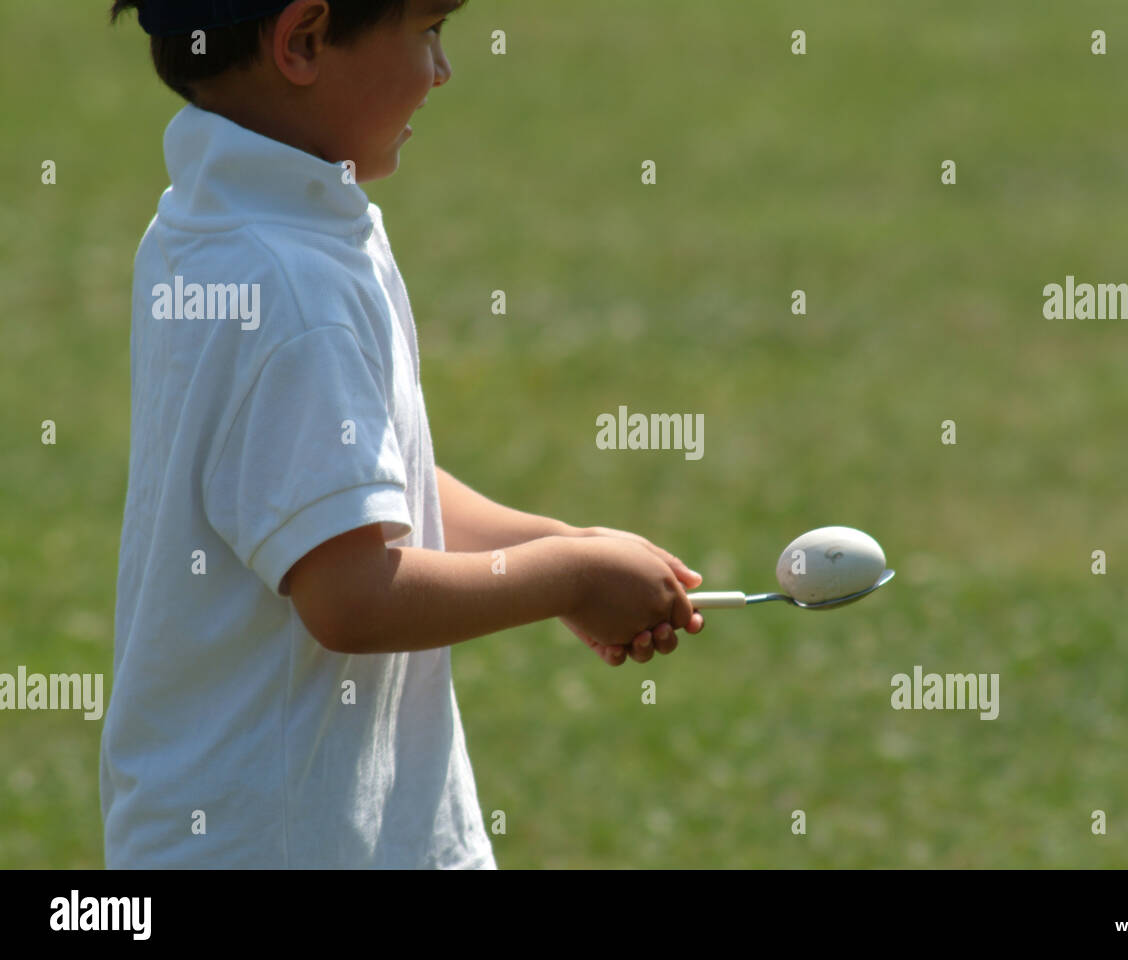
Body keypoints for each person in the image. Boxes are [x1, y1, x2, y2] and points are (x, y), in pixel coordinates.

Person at [102, 0, 705, 869]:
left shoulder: (219, 225)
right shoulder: (291, 287)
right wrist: (567, 578)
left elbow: (356, 492)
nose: (443, 70)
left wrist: (561, 545)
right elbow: (352, 594)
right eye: (428, 32)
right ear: (304, 41)